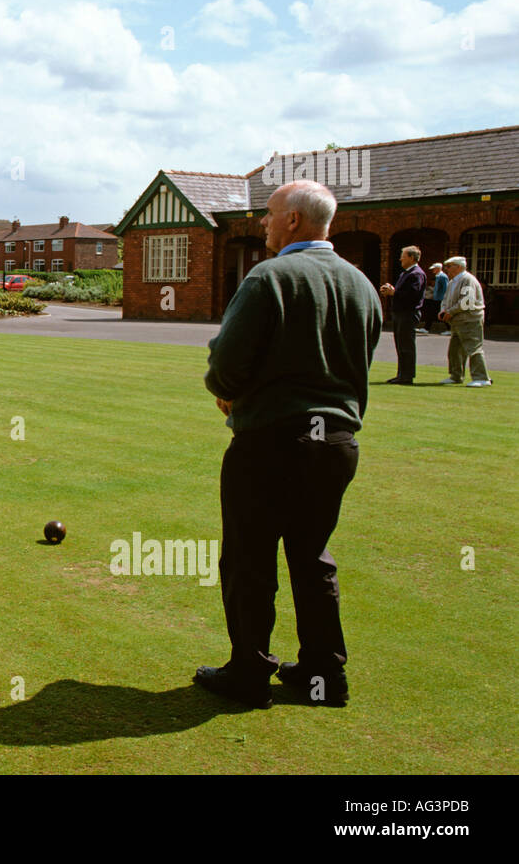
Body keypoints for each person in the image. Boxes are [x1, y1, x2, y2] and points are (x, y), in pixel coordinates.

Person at [197, 180, 382, 709]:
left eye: (270, 213)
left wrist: (229, 396)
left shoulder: (269, 277)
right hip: (337, 442)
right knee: (311, 556)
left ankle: (250, 674)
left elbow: (226, 366)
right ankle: (324, 677)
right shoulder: (361, 284)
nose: (263, 222)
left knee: (249, 559)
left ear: (294, 221)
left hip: (273, 440)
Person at [438, 257, 491, 387]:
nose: (447, 269)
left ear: (458, 266)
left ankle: (482, 378)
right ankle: (456, 376)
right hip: (457, 321)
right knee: (455, 350)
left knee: (473, 348)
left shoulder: (467, 279)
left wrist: (450, 311)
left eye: (449, 266)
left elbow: (467, 301)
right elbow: (446, 299)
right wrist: (443, 310)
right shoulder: (452, 282)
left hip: (469, 319)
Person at [379, 246, 425, 384]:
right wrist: (392, 290)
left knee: (406, 345)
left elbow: (413, 296)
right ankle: (401, 374)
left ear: (411, 258)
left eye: (403, 256)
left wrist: (394, 293)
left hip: (408, 313)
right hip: (400, 313)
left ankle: (407, 376)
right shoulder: (405, 273)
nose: (400, 259)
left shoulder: (416, 274)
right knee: (400, 345)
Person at [419, 262, 448, 334]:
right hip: (436, 298)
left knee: (440, 314)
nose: (433, 270)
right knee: (431, 313)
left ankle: (449, 329)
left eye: (434, 269)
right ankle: (426, 328)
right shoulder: (438, 276)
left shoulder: (442, 276)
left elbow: (446, 288)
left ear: (438, 268)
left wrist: (445, 297)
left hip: (440, 299)